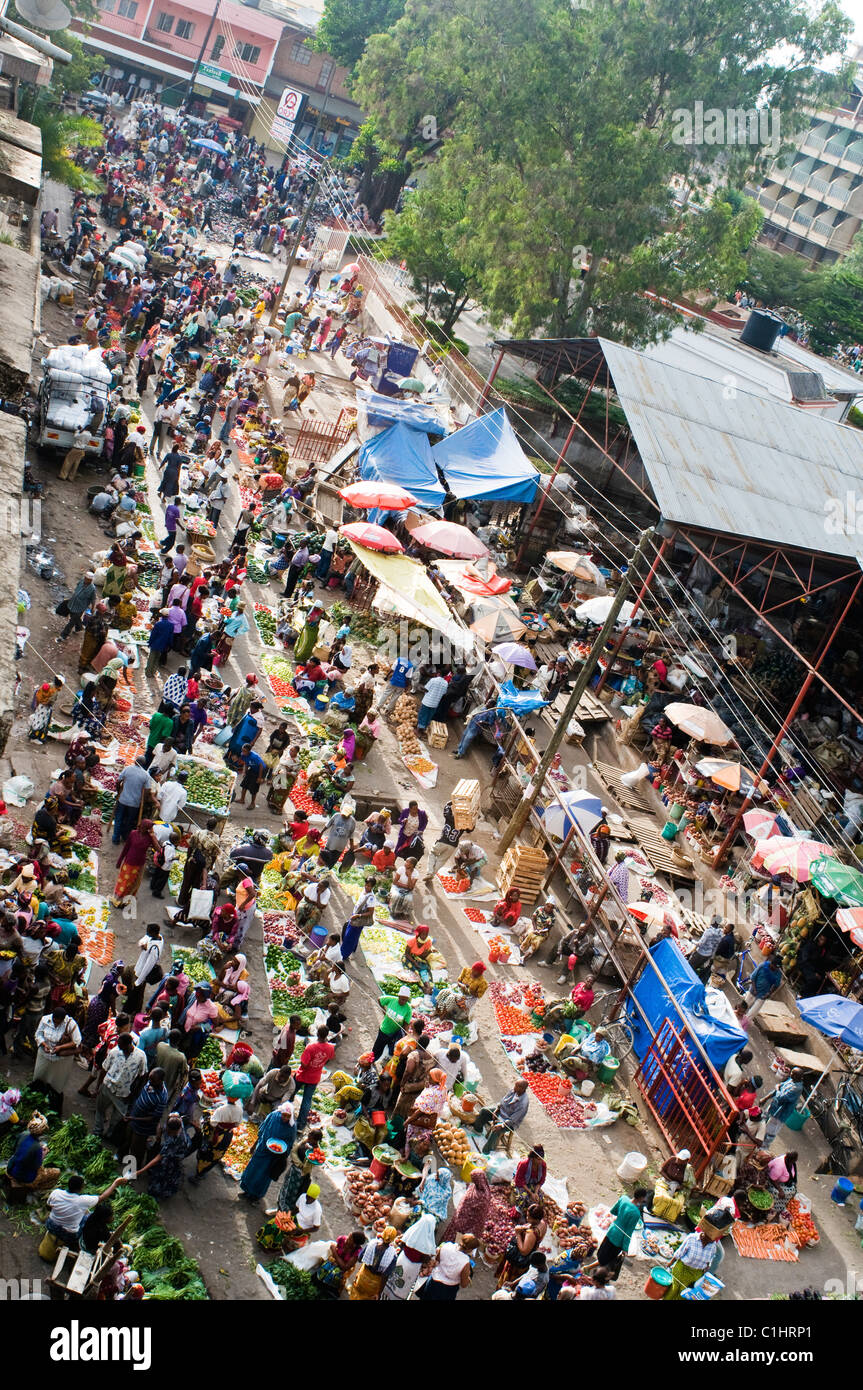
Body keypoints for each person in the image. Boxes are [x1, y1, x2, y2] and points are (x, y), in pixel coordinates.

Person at [44, 1173, 127, 1252]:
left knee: (84, 1214)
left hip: (50, 1225)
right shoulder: (82, 1201)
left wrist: (61, 1214)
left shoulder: (56, 1192)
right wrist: (115, 1184)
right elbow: (102, 1197)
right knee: (89, 1216)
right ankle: (79, 1241)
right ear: (81, 1188)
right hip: (68, 1235)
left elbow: (48, 1207)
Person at [240, 1101, 297, 1203]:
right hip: (262, 1149)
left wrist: (282, 1151)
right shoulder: (273, 1116)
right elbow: (263, 1129)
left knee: (263, 1176)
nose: (285, 1118)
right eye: (284, 1115)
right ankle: (246, 1189)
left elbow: (290, 1142)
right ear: (281, 1113)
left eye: (288, 1116)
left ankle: (255, 1196)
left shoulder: (291, 1127)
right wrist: (255, 1145)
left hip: (274, 1156)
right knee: (253, 1169)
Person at [33, 1007, 81, 1113]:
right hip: (44, 1055)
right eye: (55, 1020)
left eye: (59, 1021)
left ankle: (53, 1103)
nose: (56, 1023)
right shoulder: (45, 1020)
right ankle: (39, 1099)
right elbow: (38, 1035)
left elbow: (76, 1041)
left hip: (61, 1059)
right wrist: (44, 1045)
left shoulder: (71, 1024)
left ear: (63, 1019)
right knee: (41, 1076)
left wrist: (60, 1048)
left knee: (56, 1082)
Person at [594, 1187, 649, 1279]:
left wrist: (621, 1217)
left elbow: (613, 1211)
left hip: (612, 1231)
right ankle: (599, 1275)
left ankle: (595, 1270)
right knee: (608, 1260)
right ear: (640, 1198)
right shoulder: (636, 1213)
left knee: (602, 1253)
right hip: (618, 1240)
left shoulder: (623, 1199)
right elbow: (628, 1232)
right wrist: (625, 1249)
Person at [381, 1213, 437, 1301]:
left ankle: (383, 1297)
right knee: (403, 1286)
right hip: (413, 1268)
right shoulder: (428, 1243)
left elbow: (402, 1242)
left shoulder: (413, 1231)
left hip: (402, 1260)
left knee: (392, 1279)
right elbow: (427, 1258)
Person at [295, 1025, 336, 1131]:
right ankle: (301, 1125)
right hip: (315, 1077)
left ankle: (283, 1111)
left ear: (317, 1034)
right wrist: (318, 1065)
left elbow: (304, 1064)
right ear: (327, 1036)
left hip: (303, 1074)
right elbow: (329, 1059)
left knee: (291, 1091)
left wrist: (309, 1065)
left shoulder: (311, 1047)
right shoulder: (330, 1047)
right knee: (307, 1100)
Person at [5, 1114, 60, 1193]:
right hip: (23, 1177)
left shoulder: (24, 1134)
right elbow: (37, 1166)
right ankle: (34, 1188)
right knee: (56, 1172)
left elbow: (15, 1148)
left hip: (11, 1167)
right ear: (41, 1133)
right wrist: (43, 1154)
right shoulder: (37, 1147)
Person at [665, 1229, 721, 1299]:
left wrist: (705, 1277)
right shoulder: (692, 1238)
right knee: (672, 1290)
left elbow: (708, 1262)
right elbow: (679, 1253)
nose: (714, 1240)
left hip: (695, 1275)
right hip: (682, 1269)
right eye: (713, 1238)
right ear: (706, 1235)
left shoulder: (713, 1246)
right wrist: (670, 1264)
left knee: (683, 1295)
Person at [418, 1233, 476, 1300]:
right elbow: (463, 1284)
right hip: (447, 1290)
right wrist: (467, 1278)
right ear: (470, 1249)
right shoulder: (465, 1262)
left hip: (433, 1282)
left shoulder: (447, 1246)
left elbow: (437, 1259)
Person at [481, 1077, 529, 1155]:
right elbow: (502, 1101)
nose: (514, 1087)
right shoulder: (513, 1091)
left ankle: (486, 1151)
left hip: (510, 1122)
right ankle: (478, 1129)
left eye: (516, 1086)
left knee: (496, 1129)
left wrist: (502, 1125)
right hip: (502, 1111)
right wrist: (497, 1110)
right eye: (515, 1085)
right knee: (484, 1111)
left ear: (522, 1088)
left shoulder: (523, 1103)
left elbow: (513, 1119)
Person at [443, 1168, 492, 1243]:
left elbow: (477, 1211)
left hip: (469, 1222)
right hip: (461, 1216)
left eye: (473, 1179)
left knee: (460, 1239)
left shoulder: (483, 1197)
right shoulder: (482, 1187)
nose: (472, 1181)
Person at [349, 1226, 399, 1300]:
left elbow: (359, 1259)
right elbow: (385, 1276)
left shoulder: (372, 1244)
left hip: (362, 1278)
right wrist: (379, 1293)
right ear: (392, 1239)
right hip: (374, 1286)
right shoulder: (392, 1256)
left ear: (383, 1233)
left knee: (355, 1294)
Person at [762, 1069, 805, 1146]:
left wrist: (777, 1089)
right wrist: (765, 1098)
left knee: (769, 1133)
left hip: (779, 1114)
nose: (790, 1074)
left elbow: (781, 1098)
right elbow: (779, 1087)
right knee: (762, 1123)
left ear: (797, 1077)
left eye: (792, 1073)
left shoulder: (797, 1088)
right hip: (773, 1107)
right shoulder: (791, 1080)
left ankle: (762, 1148)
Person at [315, 1231, 364, 1296]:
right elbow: (336, 1251)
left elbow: (345, 1267)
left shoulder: (357, 1252)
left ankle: (329, 1289)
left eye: (349, 1239)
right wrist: (335, 1257)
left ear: (354, 1244)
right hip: (335, 1260)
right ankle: (319, 1282)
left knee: (333, 1274)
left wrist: (335, 1253)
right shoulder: (342, 1239)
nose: (346, 1239)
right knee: (324, 1268)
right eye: (348, 1236)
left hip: (342, 1267)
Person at [372, 985, 413, 1060]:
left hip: (394, 1034)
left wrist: (406, 1037)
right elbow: (379, 1000)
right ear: (399, 996)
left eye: (405, 1000)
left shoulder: (408, 1009)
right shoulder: (391, 1000)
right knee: (377, 1049)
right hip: (384, 1030)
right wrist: (384, 1011)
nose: (403, 1001)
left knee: (391, 1050)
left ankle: (385, 1062)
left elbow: (406, 1024)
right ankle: (372, 1061)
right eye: (402, 999)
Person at [743, 956, 782, 1022]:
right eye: (775, 967)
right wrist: (755, 989)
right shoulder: (762, 966)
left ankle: (743, 1025)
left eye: (777, 968)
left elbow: (776, 985)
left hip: (763, 995)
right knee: (744, 1007)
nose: (775, 969)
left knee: (752, 1013)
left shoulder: (778, 973)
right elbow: (753, 977)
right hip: (753, 990)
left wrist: (769, 993)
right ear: (771, 964)